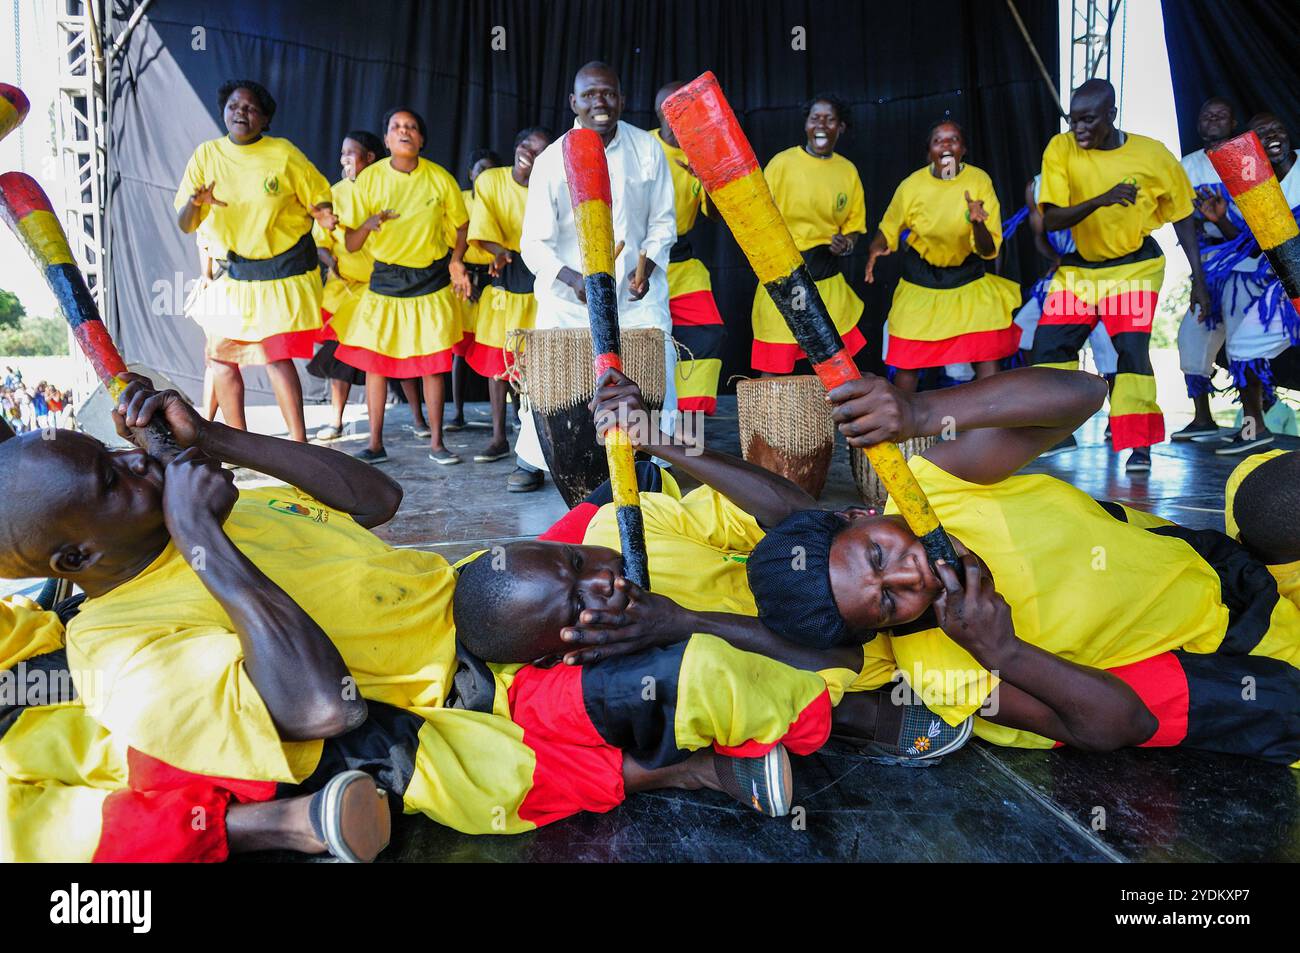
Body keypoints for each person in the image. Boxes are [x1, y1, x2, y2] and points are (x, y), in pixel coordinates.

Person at [0, 375, 843, 832]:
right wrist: (203, 545)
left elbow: (378, 498)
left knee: (665, 593)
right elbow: (322, 706)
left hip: (480, 594)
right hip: (456, 702)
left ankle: (840, 687)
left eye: (123, 452)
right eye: (115, 479)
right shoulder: (115, 647)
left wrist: (214, 438)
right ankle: (684, 762)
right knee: (695, 673)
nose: (139, 463)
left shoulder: (210, 499)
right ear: (74, 558)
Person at [735, 365, 1300, 764]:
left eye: (878, 554)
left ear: (861, 513)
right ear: (883, 630)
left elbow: (1082, 394)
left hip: (1209, 558)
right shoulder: (946, 671)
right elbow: (1123, 725)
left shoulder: (930, 487)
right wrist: (1004, 652)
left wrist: (923, 410)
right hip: (1240, 647)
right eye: (887, 602)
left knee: (1277, 495)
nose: (912, 575)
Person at [1028, 78, 1209, 473]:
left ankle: (1138, 444)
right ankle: (1056, 429)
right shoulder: (1062, 148)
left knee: (1131, 352)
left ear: (1111, 115)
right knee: (1048, 349)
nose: (1079, 129)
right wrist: (1103, 198)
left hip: (1134, 268)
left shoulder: (1153, 156)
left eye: (1089, 120)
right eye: (1074, 120)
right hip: (1080, 267)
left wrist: (1199, 278)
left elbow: (1183, 218)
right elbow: (1053, 216)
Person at [515, 60, 678, 492]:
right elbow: (533, 243)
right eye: (589, 94)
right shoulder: (552, 159)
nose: (599, 102)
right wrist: (575, 280)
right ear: (574, 102)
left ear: (621, 99)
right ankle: (535, 458)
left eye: (607, 93)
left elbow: (664, 222)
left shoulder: (648, 149)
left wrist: (648, 268)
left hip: (635, 297)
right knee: (555, 383)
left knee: (653, 368)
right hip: (571, 301)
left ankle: (655, 461)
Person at [175, 79, 337, 442]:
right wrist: (196, 203)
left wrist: (325, 214)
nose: (240, 112)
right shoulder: (206, 156)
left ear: (265, 119)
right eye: (234, 105)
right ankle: (240, 444)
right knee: (220, 357)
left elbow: (318, 197)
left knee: (277, 358)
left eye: (250, 108)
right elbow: (185, 224)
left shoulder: (283, 154)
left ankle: (299, 445)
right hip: (233, 278)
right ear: (223, 111)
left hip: (280, 275)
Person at [329, 106, 471, 465]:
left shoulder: (440, 179)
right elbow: (351, 244)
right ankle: (375, 444)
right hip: (386, 280)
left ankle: (437, 444)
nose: (404, 131)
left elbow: (461, 225)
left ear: (421, 139)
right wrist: (370, 223)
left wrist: (456, 260)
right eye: (396, 127)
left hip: (430, 280)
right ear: (388, 138)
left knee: (432, 364)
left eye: (411, 127)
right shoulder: (370, 180)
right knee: (376, 364)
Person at [865, 120, 1020, 392]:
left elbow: (987, 250)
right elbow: (888, 227)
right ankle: (903, 430)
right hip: (921, 281)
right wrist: (877, 247)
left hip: (967, 280)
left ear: (964, 150)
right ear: (929, 153)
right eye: (939, 140)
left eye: (954, 139)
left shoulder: (978, 181)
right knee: (907, 360)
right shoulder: (911, 186)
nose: (946, 144)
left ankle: (993, 426)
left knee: (986, 354)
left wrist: (978, 222)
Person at [750, 94, 866, 376]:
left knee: (836, 368)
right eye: (815, 118)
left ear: (841, 127)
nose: (821, 124)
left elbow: (854, 226)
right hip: (783, 277)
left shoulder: (848, 171)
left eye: (830, 119)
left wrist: (847, 243)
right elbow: (757, 214)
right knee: (775, 365)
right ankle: (771, 421)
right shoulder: (782, 164)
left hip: (827, 279)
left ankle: (829, 421)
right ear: (806, 125)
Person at [1210, 112, 1300, 453]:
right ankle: (1254, 428)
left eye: (1277, 127)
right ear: (1254, 147)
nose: (1272, 134)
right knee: (1242, 347)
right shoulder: (1251, 183)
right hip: (1286, 286)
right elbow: (1253, 244)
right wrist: (1221, 221)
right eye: (1262, 133)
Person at [1014, 173, 1119, 456]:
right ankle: (1053, 420)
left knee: (1109, 351)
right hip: (1064, 276)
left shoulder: (1092, 177)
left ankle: (1119, 417)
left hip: (1103, 277)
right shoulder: (1034, 185)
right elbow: (1039, 234)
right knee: (1023, 331)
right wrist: (1059, 259)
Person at [467, 128, 553, 467]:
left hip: (539, 274)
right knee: (497, 362)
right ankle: (499, 436)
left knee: (536, 364)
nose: (529, 152)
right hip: (504, 271)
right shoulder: (490, 181)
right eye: (525, 144)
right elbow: (480, 229)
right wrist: (498, 250)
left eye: (540, 150)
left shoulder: (550, 186)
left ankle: (536, 439)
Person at [652, 80, 727, 415]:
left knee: (705, 332)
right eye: (673, 108)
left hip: (682, 259)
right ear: (661, 112)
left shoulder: (700, 152)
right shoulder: (643, 147)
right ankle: (641, 433)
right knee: (644, 343)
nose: (681, 114)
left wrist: (706, 177)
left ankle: (688, 430)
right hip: (641, 262)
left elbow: (714, 214)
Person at [1173, 96, 1244, 441]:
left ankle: (1252, 424)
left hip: (1250, 263)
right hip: (1209, 263)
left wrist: (1224, 223)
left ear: (1234, 124)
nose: (1214, 119)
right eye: (1207, 115)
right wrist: (1197, 279)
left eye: (1222, 114)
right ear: (1198, 125)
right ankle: (1203, 419)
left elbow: (1257, 232)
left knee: (1247, 344)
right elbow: (1186, 227)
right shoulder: (1187, 166)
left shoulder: (1247, 160)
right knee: (1191, 336)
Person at [308, 130, 385, 442]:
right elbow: (320, 243)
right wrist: (330, 262)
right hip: (345, 290)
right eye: (343, 153)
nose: (345, 160)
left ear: (370, 158)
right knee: (341, 355)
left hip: (383, 289)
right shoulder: (334, 193)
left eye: (352, 153)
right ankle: (337, 420)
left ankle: (418, 421)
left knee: (382, 358)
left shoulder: (387, 189)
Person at [446, 148, 504, 435]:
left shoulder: (501, 201)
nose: (484, 176)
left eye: (490, 171)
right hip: (467, 278)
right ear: (471, 174)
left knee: (501, 350)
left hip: (496, 280)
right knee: (461, 350)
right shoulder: (462, 201)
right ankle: (457, 412)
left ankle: (514, 414)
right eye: (480, 170)